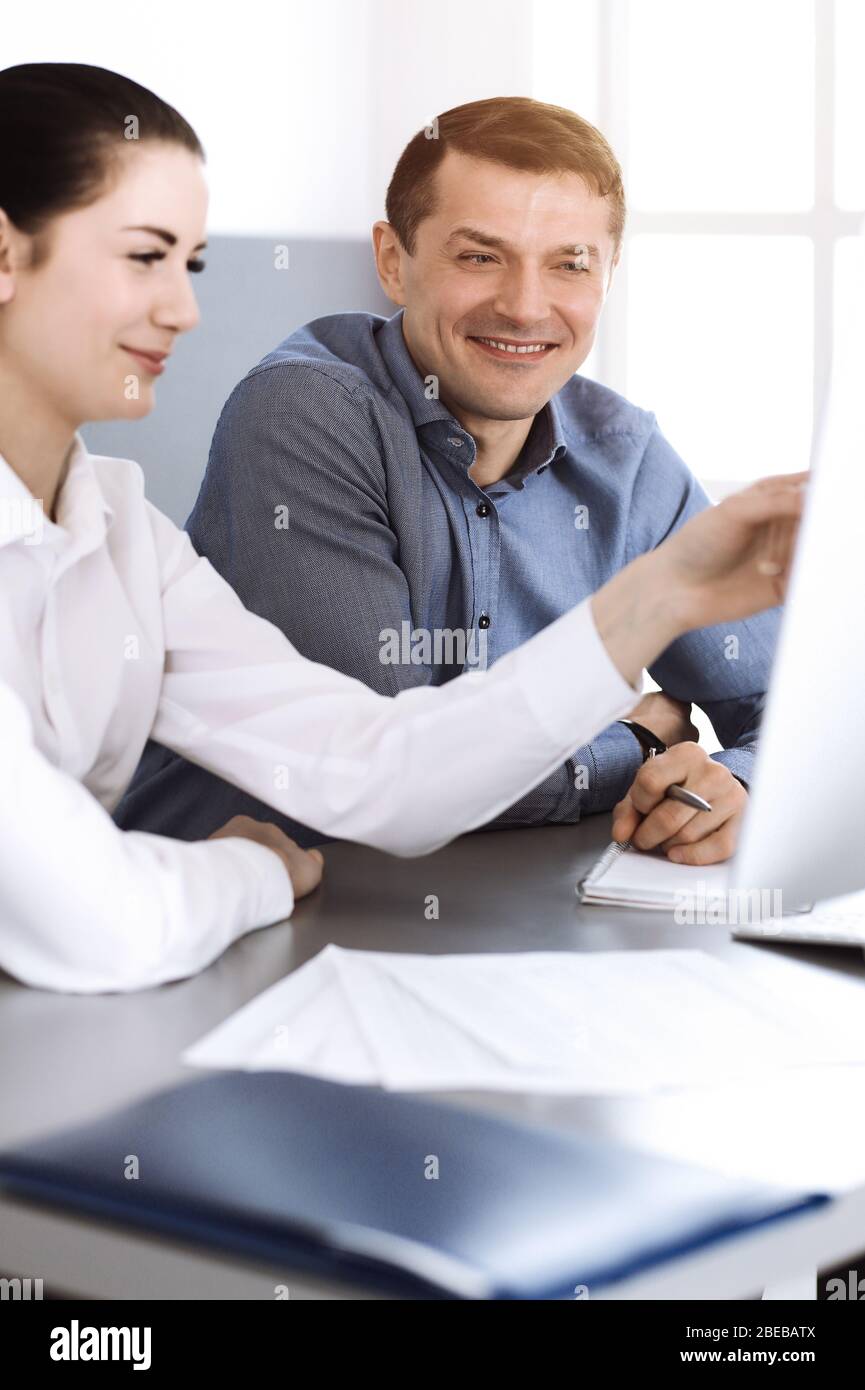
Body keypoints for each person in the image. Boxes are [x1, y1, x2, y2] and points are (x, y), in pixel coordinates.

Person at [0, 64, 804, 995]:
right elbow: (110, 927)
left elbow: (381, 772)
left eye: (192, 264)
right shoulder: (305, 408)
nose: (184, 310)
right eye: (145, 256)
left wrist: (656, 608)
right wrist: (260, 868)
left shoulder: (120, 530)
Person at [118, 97, 776, 865]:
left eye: (569, 263)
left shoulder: (624, 456)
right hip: (261, 920)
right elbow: (394, 779)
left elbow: (800, 715)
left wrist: (736, 785)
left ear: (608, 273)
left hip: (507, 926)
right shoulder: (304, 412)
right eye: (479, 256)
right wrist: (633, 745)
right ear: (393, 262)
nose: (526, 306)